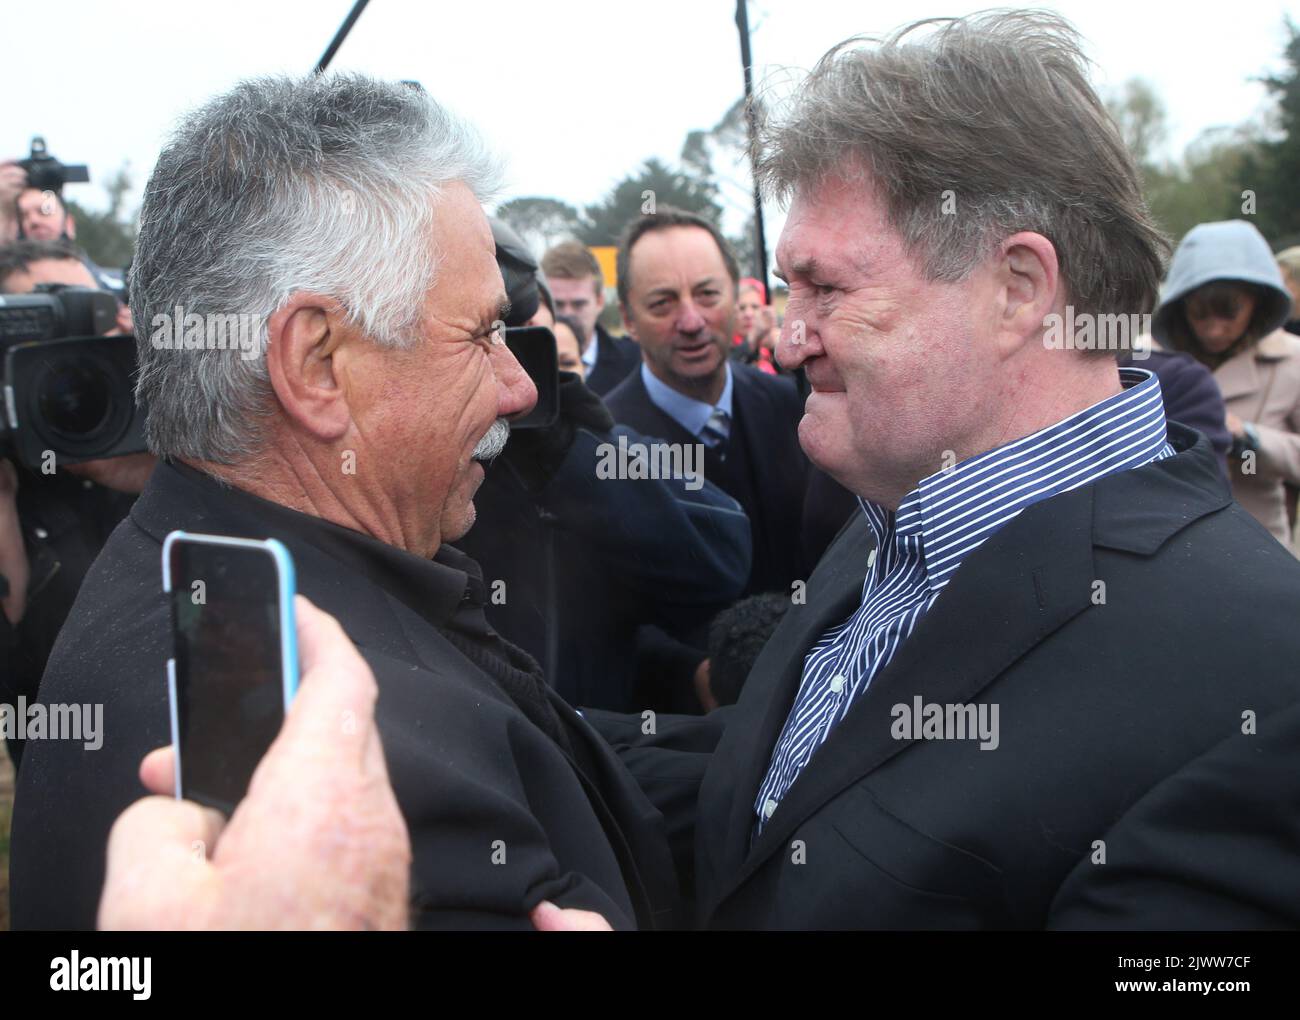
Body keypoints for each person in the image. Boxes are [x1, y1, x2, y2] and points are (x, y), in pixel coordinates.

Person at [607, 11, 1300, 929]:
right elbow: (777, 789)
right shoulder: (895, 519)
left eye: (826, 288)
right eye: (788, 288)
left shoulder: (1261, 680)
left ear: (1016, 290)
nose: (788, 336)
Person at [12, 73, 679, 931]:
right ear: (317, 364)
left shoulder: (197, 568)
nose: (519, 388)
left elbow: (557, 755)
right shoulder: (346, 773)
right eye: (482, 333)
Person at [603, 206, 826, 596]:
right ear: (629, 319)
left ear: (735, 297)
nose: (691, 322)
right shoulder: (606, 445)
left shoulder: (789, 405)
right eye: (662, 303)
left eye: (707, 294)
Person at [0, 241, 155, 766]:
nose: (66, 368)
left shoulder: (163, 451)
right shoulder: (15, 488)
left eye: (88, 320)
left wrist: (161, 456)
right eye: (42, 331)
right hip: (65, 774)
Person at [1150, 220, 1300, 550]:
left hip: (1260, 548)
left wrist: (1251, 437)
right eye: (1199, 312)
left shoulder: (1292, 361)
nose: (1214, 329)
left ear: (1258, 302)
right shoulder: (1148, 362)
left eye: (1229, 311)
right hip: (1170, 544)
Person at [540, 240, 639, 395]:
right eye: (557, 304)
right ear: (542, 303)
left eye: (578, 304)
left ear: (600, 302)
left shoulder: (635, 362)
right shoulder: (522, 365)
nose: (567, 313)